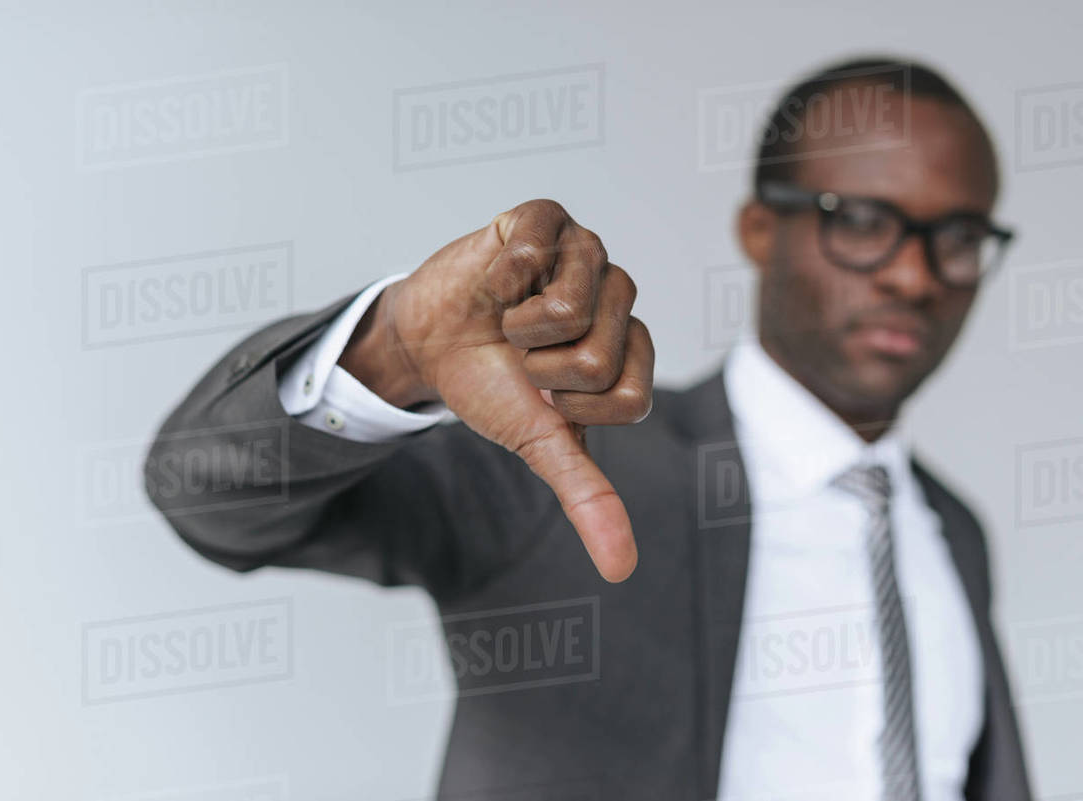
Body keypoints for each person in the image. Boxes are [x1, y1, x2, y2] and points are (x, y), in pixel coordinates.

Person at [144, 57, 1030, 800]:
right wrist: (397, 350)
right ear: (763, 228)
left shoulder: (955, 532)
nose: (916, 277)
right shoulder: (571, 455)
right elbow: (210, 492)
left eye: (957, 236)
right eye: (866, 222)